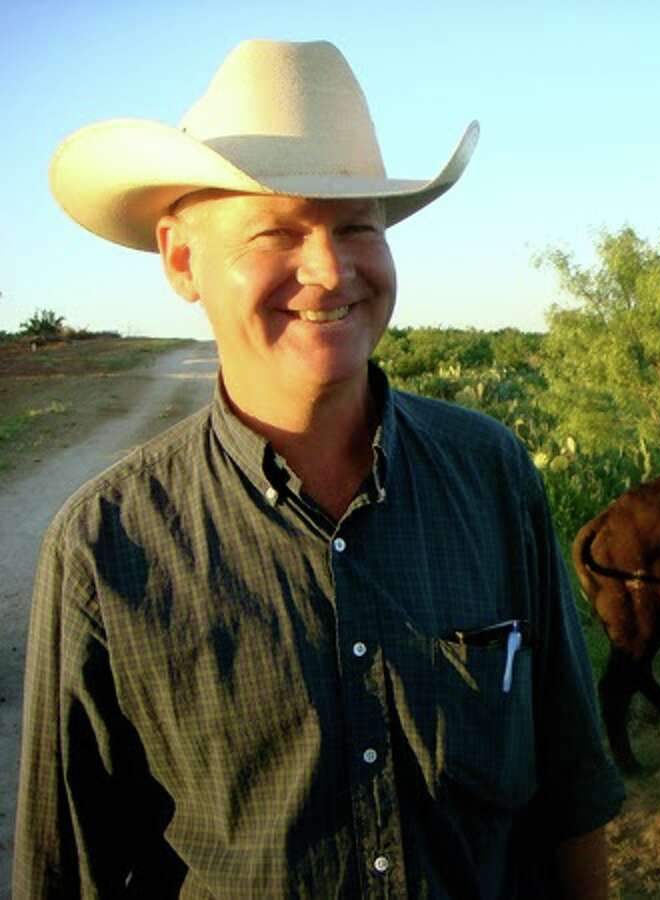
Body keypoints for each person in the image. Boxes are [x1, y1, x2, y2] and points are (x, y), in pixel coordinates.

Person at [14, 39, 624, 898]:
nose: (331, 270)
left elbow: (570, 795)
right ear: (182, 260)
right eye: (277, 231)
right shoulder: (105, 549)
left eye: (356, 227)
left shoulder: (491, 476)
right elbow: (68, 870)